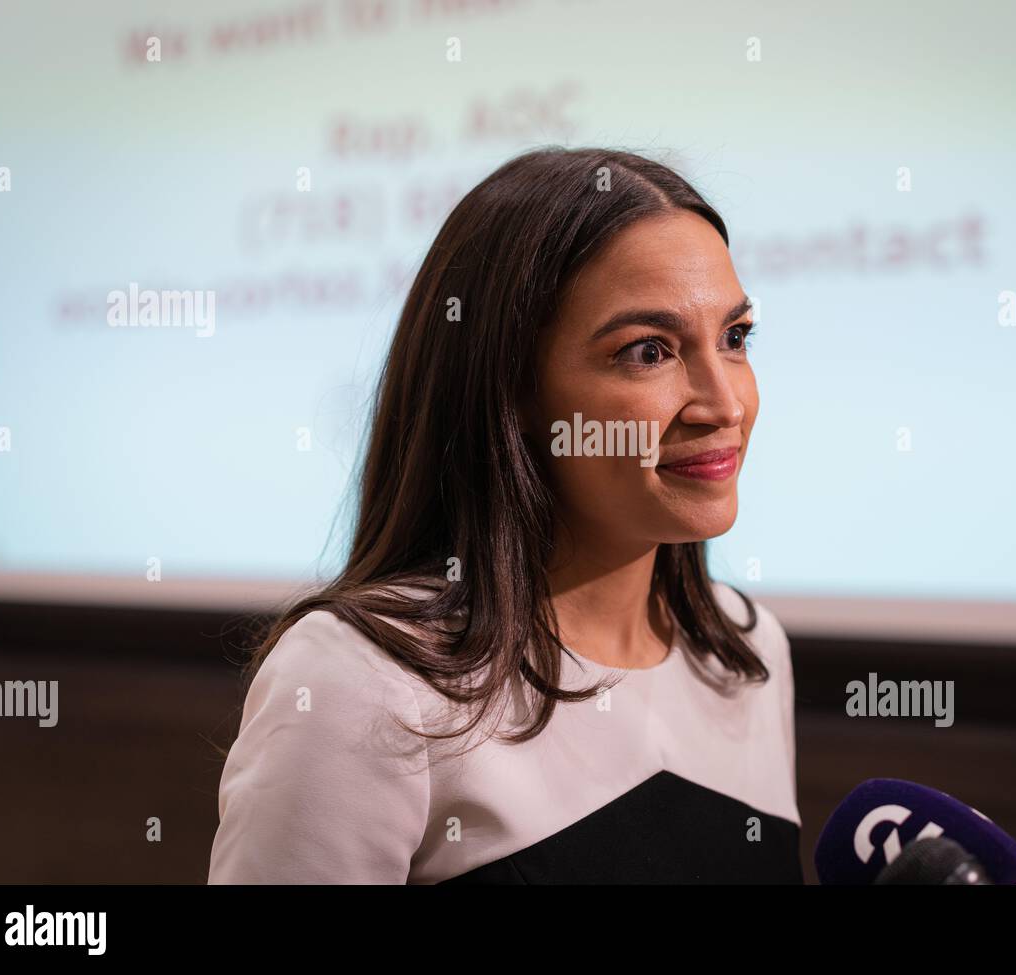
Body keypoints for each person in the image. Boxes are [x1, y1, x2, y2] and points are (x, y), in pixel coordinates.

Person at [207, 146, 802, 883]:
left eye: (735, 338)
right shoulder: (361, 680)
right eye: (649, 351)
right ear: (512, 389)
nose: (725, 403)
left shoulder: (747, 651)